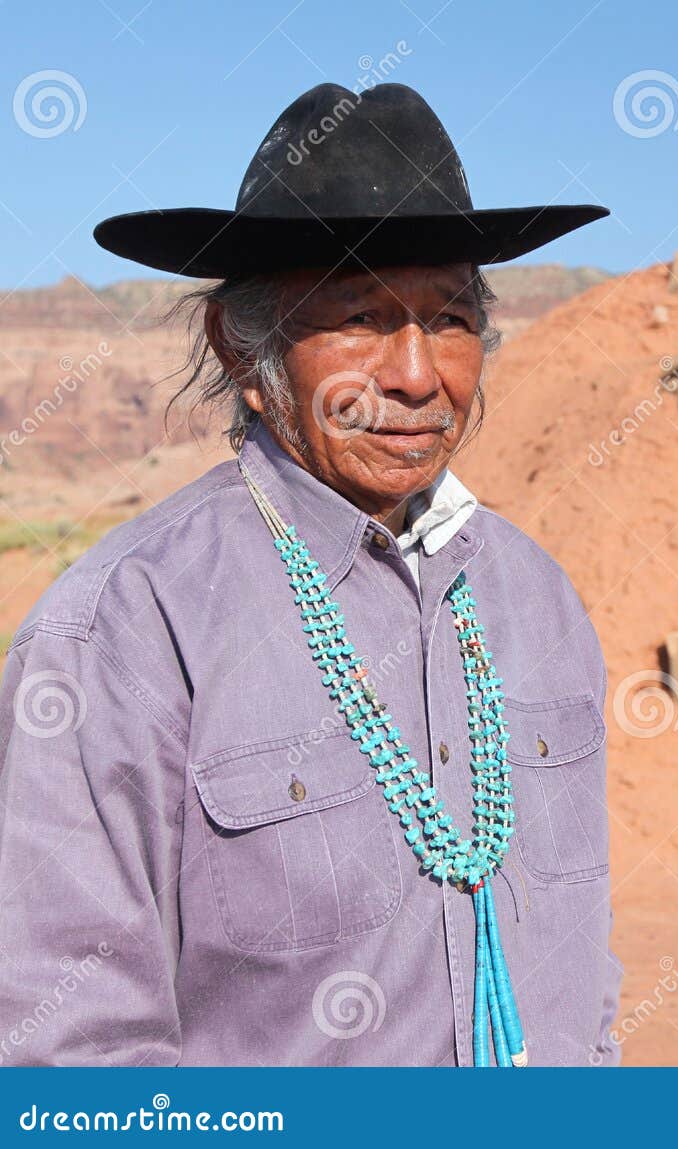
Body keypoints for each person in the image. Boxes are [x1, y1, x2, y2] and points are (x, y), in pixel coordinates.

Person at [0, 82, 621, 1066]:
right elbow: (73, 1052)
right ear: (242, 349)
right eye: (363, 316)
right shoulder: (122, 630)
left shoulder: (533, 596)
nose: (418, 373)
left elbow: (582, 984)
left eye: (452, 318)